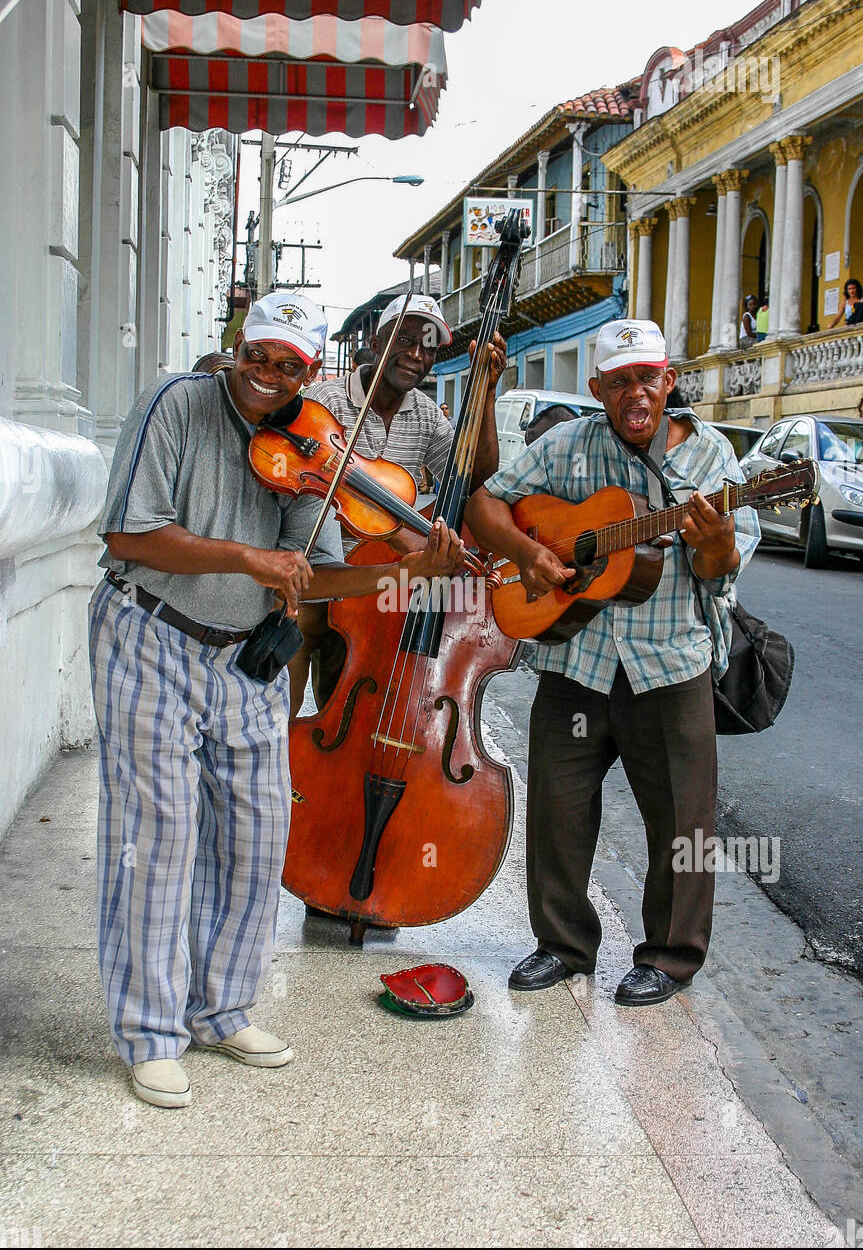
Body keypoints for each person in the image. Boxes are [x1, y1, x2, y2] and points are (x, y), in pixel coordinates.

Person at [90, 290, 465, 1109]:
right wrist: (249, 561)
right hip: (151, 629)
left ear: (313, 371)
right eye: (255, 356)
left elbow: (317, 574)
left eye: (287, 365)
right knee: (157, 835)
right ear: (235, 345)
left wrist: (413, 566)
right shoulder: (175, 404)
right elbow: (126, 535)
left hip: (244, 658)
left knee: (260, 830)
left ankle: (220, 1009)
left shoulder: (312, 452)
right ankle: (151, 1033)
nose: (265, 375)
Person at [465, 318, 760, 1007]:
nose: (636, 394)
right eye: (619, 381)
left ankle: (668, 956)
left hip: (667, 665)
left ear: (669, 380)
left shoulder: (711, 459)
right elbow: (484, 502)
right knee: (559, 812)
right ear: (596, 388)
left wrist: (712, 540)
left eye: (647, 379)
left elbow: (721, 568)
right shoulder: (566, 444)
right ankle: (562, 946)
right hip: (577, 657)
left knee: (682, 824)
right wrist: (528, 552)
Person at [287, 293, 506, 717]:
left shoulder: (424, 413)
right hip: (318, 578)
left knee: (363, 703)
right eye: (404, 339)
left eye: (427, 346)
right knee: (291, 700)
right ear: (374, 340)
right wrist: (398, 533)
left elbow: (472, 478)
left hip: (382, 585)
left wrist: (488, 394)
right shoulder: (325, 402)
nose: (415, 354)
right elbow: (301, 492)